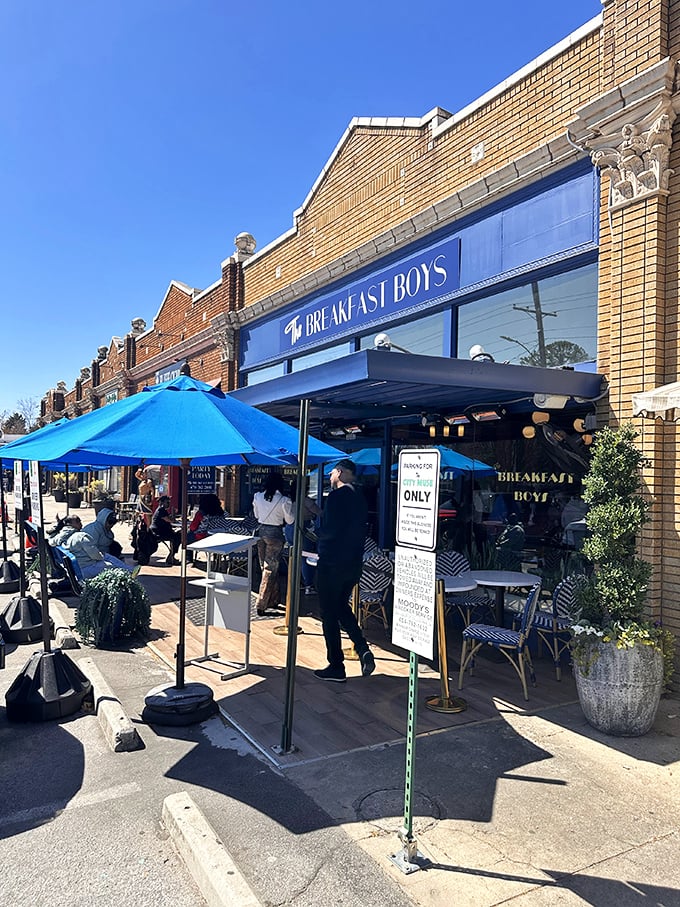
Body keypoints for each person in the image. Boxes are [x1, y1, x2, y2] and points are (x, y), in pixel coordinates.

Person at [314, 458, 375, 682]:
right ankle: (362, 648)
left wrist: (317, 535)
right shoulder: (360, 497)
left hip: (332, 563)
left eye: (331, 473)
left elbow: (330, 530)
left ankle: (336, 665)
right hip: (353, 564)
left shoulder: (336, 496)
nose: (330, 477)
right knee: (341, 607)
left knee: (328, 613)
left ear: (339, 473)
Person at [252, 472, 294, 616]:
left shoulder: (257, 496)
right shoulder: (284, 500)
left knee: (265, 567)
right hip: (275, 534)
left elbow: (257, 516)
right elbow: (290, 520)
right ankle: (262, 602)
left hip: (260, 532)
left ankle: (273, 599)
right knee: (270, 568)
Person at [50, 514, 134, 578]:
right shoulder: (81, 536)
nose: (81, 523)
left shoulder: (63, 535)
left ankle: (130, 570)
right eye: (78, 521)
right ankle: (129, 571)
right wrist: (101, 556)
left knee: (107, 556)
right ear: (71, 524)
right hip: (83, 568)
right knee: (112, 565)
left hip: (75, 567)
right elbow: (95, 555)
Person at [284, 478, 322, 594]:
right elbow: (320, 512)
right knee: (307, 556)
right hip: (303, 529)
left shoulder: (289, 500)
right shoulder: (305, 500)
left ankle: (295, 582)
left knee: (294, 556)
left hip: (290, 528)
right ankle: (308, 586)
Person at [151, 495, 181, 565]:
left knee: (177, 534)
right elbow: (170, 520)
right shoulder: (161, 510)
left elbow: (168, 518)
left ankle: (171, 556)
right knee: (177, 537)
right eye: (167, 502)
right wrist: (173, 515)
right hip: (159, 533)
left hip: (161, 531)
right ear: (162, 503)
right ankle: (171, 557)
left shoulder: (162, 510)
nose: (168, 504)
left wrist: (174, 514)